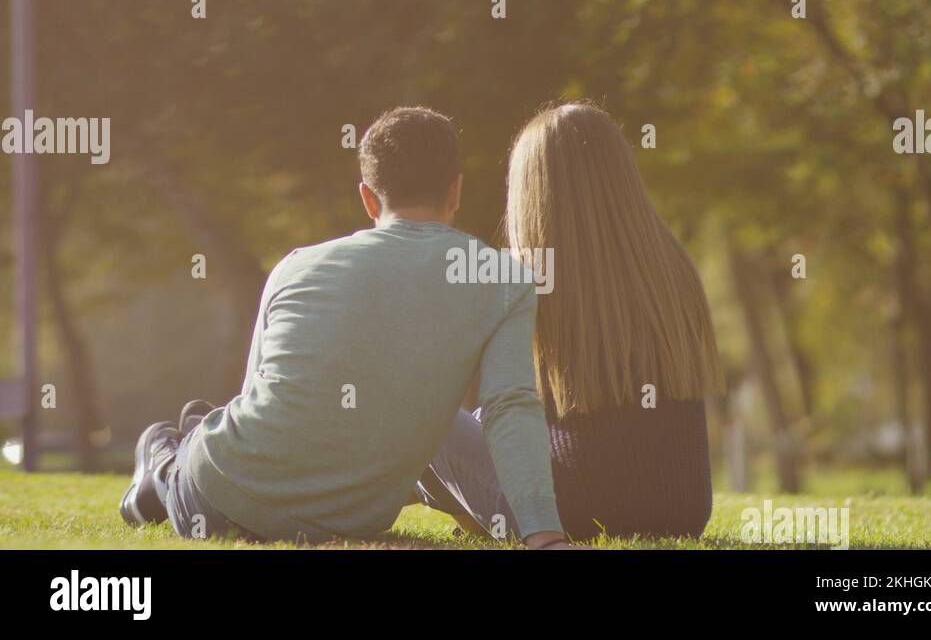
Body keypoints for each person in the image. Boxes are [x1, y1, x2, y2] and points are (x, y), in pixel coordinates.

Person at [120, 106, 576, 549]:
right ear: (455, 191)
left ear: (368, 198)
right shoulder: (504, 281)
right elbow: (509, 405)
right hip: (335, 519)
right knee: (179, 442)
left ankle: (174, 450)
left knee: (200, 433)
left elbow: (256, 393)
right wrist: (544, 535)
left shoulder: (295, 266)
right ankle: (159, 462)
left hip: (218, 500)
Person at [418, 103, 724, 540]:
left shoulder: (518, 279)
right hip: (683, 509)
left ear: (528, 193)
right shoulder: (673, 268)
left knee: (423, 404)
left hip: (564, 511)